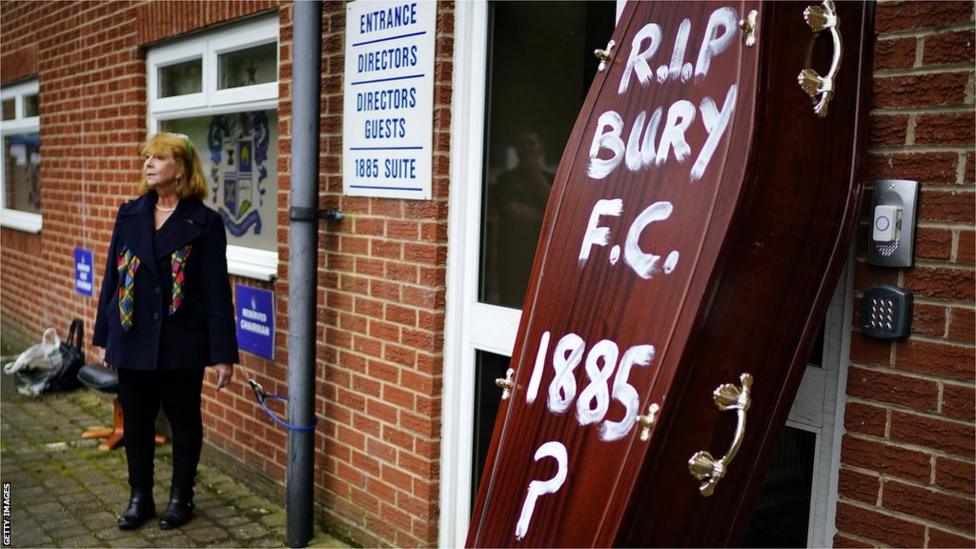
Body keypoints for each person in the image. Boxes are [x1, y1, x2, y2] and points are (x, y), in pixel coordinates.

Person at [92, 132, 238, 530]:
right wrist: (104, 336)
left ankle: (181, 498)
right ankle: (140, 497)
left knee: (184, 419)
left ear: (182, 169)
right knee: (136, 419)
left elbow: (215, 291)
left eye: (159, 157)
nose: (148, 164)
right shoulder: (129, 215)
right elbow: (112, 281)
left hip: (181, 341)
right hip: (133, 335)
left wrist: (223, 353)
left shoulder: (205, 223)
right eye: (147, 157)